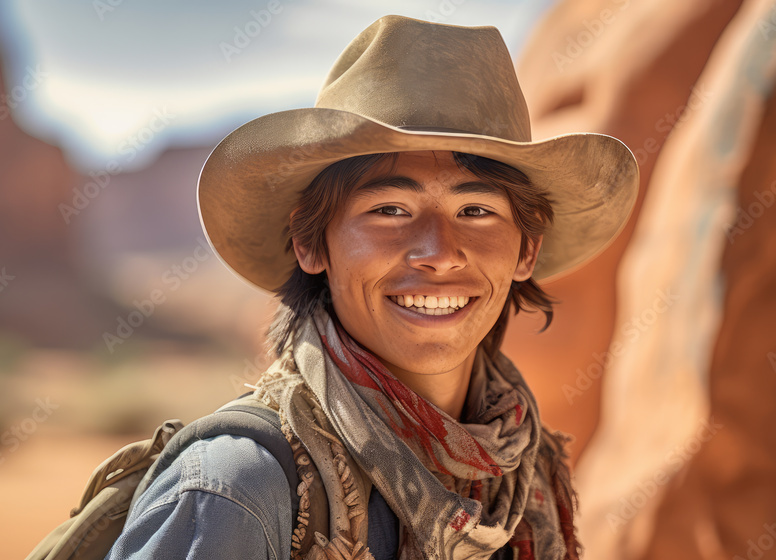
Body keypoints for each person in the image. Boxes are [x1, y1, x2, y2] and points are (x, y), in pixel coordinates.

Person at [107, 14, 638, 560]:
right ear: (309, 244)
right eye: (390, 209)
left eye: (475, 210)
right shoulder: (237, 490)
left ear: (526, 249)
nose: (438, 252)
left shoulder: (527, 477)